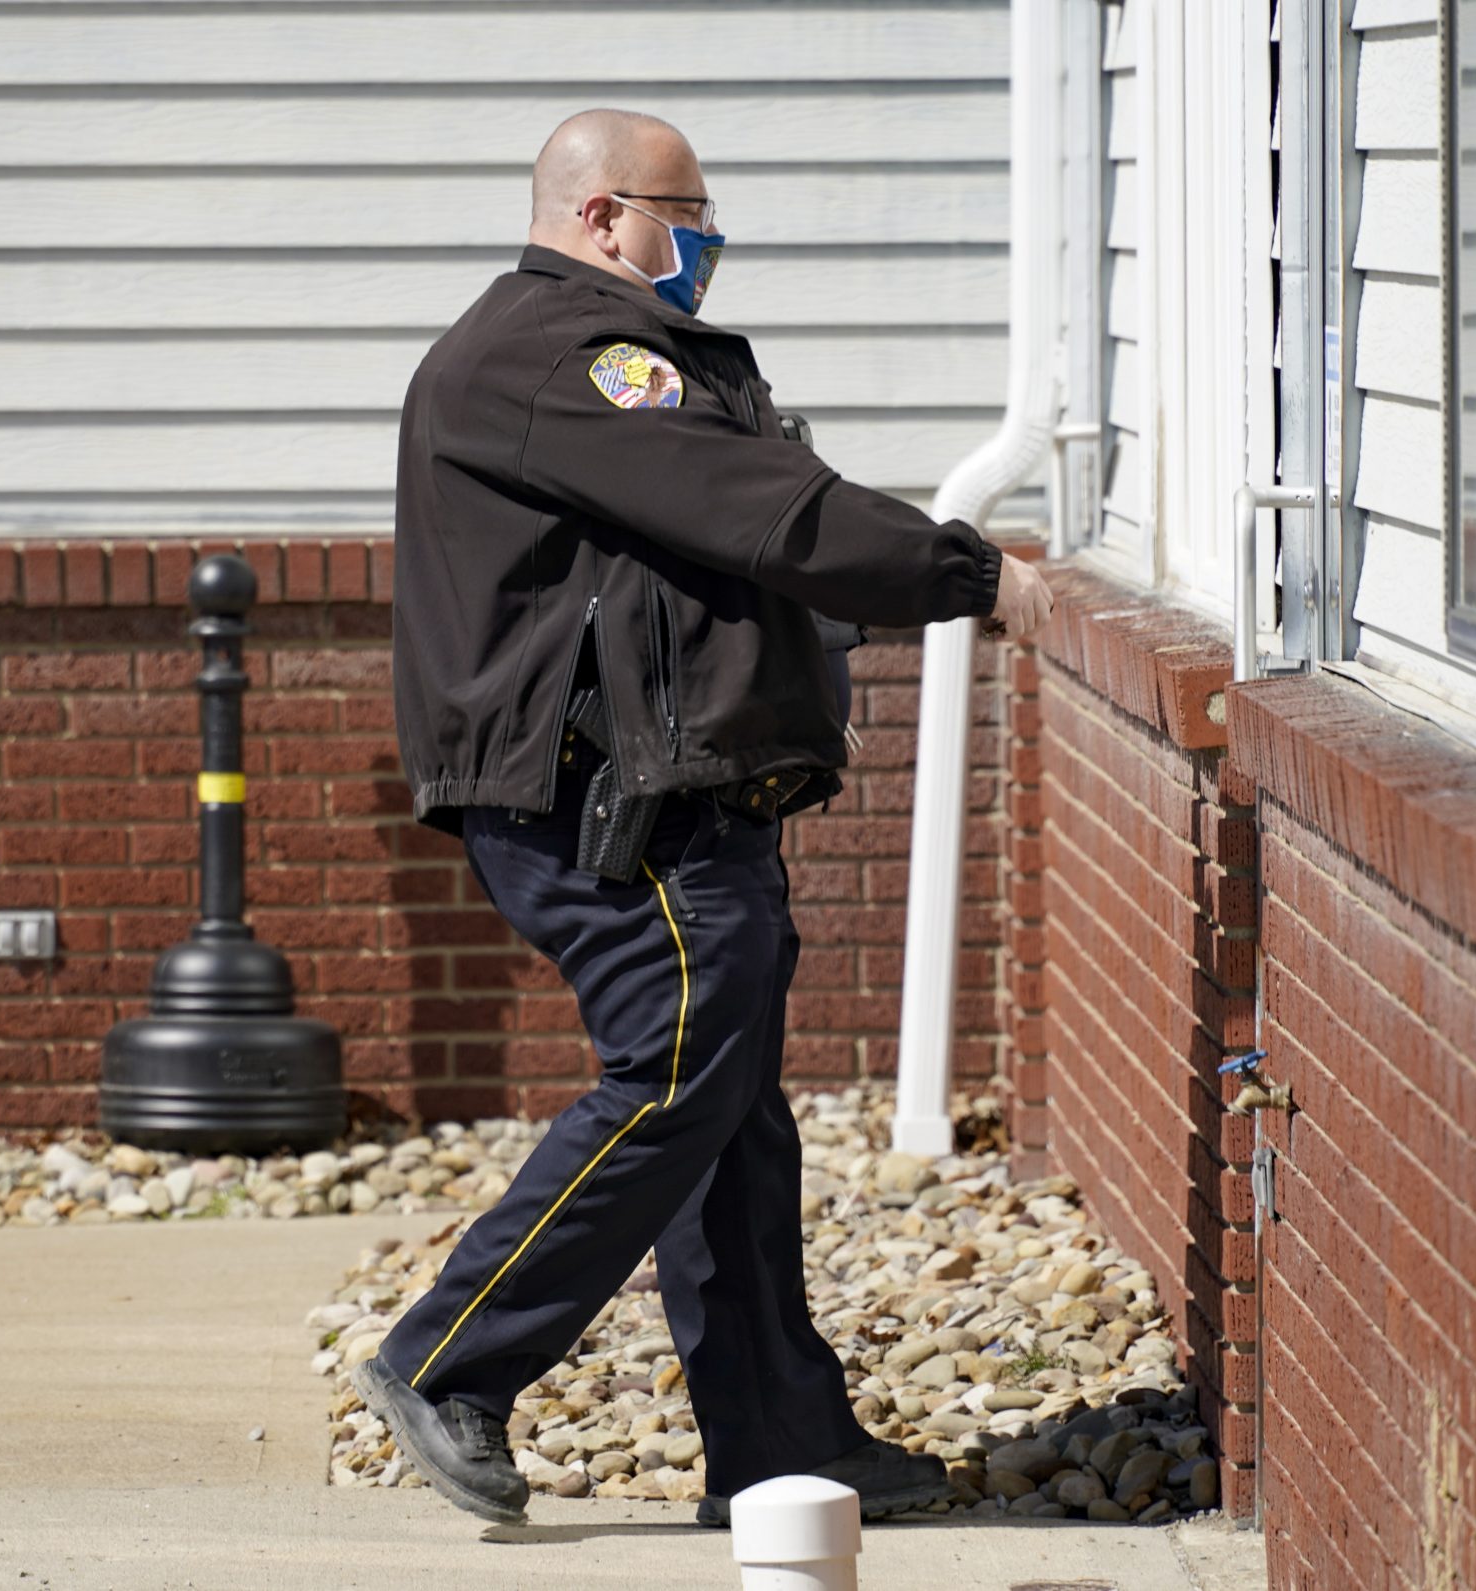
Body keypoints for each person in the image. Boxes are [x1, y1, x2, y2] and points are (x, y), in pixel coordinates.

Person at [358, 107, 1056, 1530]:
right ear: (604, 215)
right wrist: (973, 575)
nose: (710, 238)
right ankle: (450, 1359)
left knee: (729, 1118)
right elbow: (759, 507)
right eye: (689, 211)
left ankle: (785, 1448)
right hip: (615, 808)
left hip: (673, 794)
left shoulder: (579, 356)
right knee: (678, 1072)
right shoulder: (566, 358)